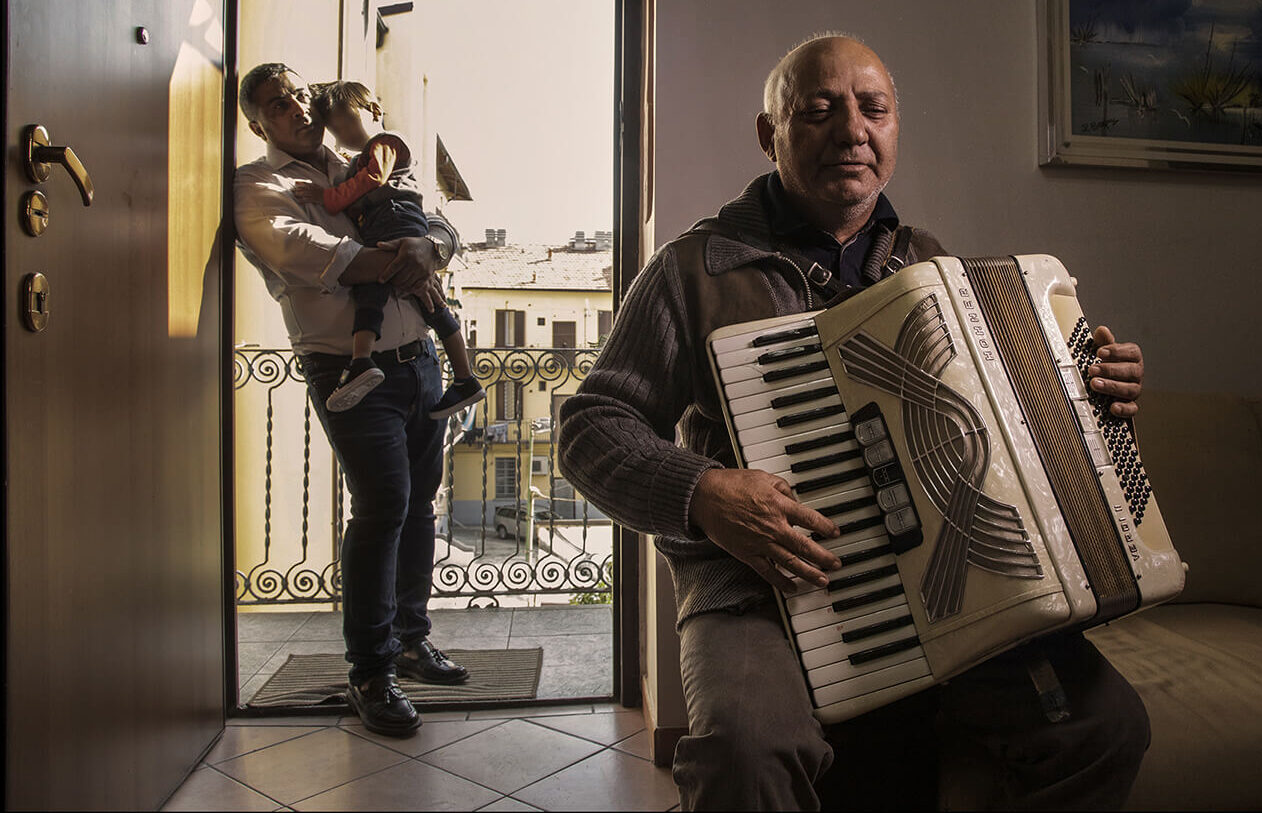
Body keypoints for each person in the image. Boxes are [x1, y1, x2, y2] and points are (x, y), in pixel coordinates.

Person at [558, 35, 1150, 810]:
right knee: (746, 750)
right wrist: (704, 492)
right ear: (770, 134)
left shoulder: (937, 271)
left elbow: (1005, 433)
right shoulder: (691, 267)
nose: (852, 130)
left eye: (874, 109)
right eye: (818, 110)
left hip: (947, 582)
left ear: (895, 131)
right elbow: (590, 425)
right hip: (759, 586)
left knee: (1106, 726)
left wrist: (1088, 392)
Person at [234, 62, 469, 738]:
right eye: (280, 104)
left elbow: (436, 221)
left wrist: (432, 243)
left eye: (302, 94)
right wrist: (408, 255)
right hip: (347, 370)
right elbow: (317, 252)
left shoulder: (361, 151)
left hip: (419, 358)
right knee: (383, 504)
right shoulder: (258, 185)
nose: (298, 108)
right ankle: (369, 669)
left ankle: (410, 639)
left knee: (420, 501)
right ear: (258, 123)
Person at [290, 79, 484, 419]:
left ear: (374, 110)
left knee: (373, 290)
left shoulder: (385, 143)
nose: (344, 132)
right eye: (335, 129)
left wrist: (326, 198)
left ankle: (362, 362)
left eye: (349, 120)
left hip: (396, 222)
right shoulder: (358, 161)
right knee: (431, 303)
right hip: (392, 223)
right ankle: (465, 380)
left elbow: (374, 179)